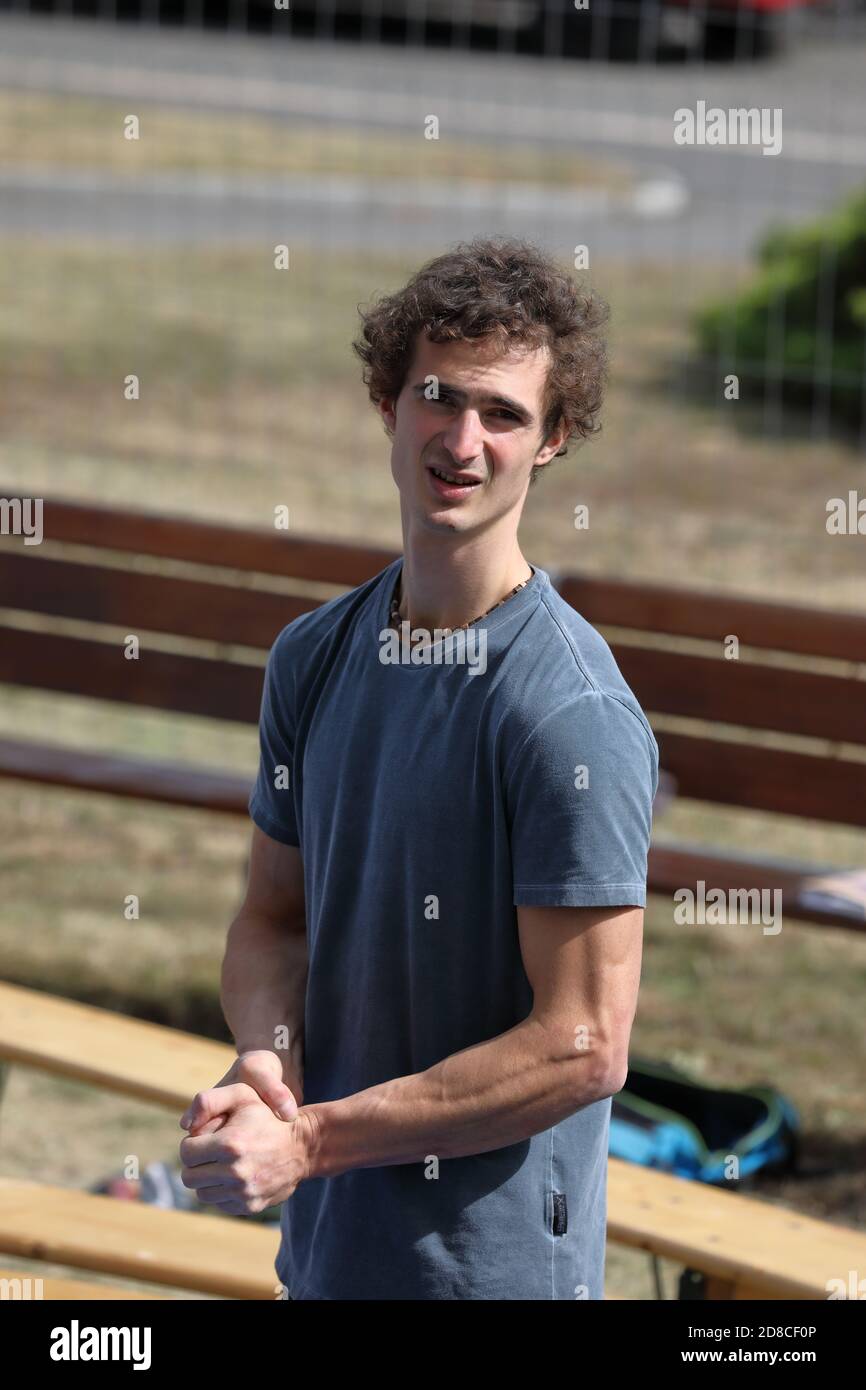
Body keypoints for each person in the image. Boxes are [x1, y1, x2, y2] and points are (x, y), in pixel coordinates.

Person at [178, 236, 659, 1301]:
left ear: (554, 440)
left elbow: (580, 1045)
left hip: (483, 1278)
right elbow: (271, 920)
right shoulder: (314, 655)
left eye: (504, 413)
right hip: (328, 1256)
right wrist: (267, 1062)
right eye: (437, 396)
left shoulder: (568, 713)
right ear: (386, 401)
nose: (461, 438)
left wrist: (314, 1142)